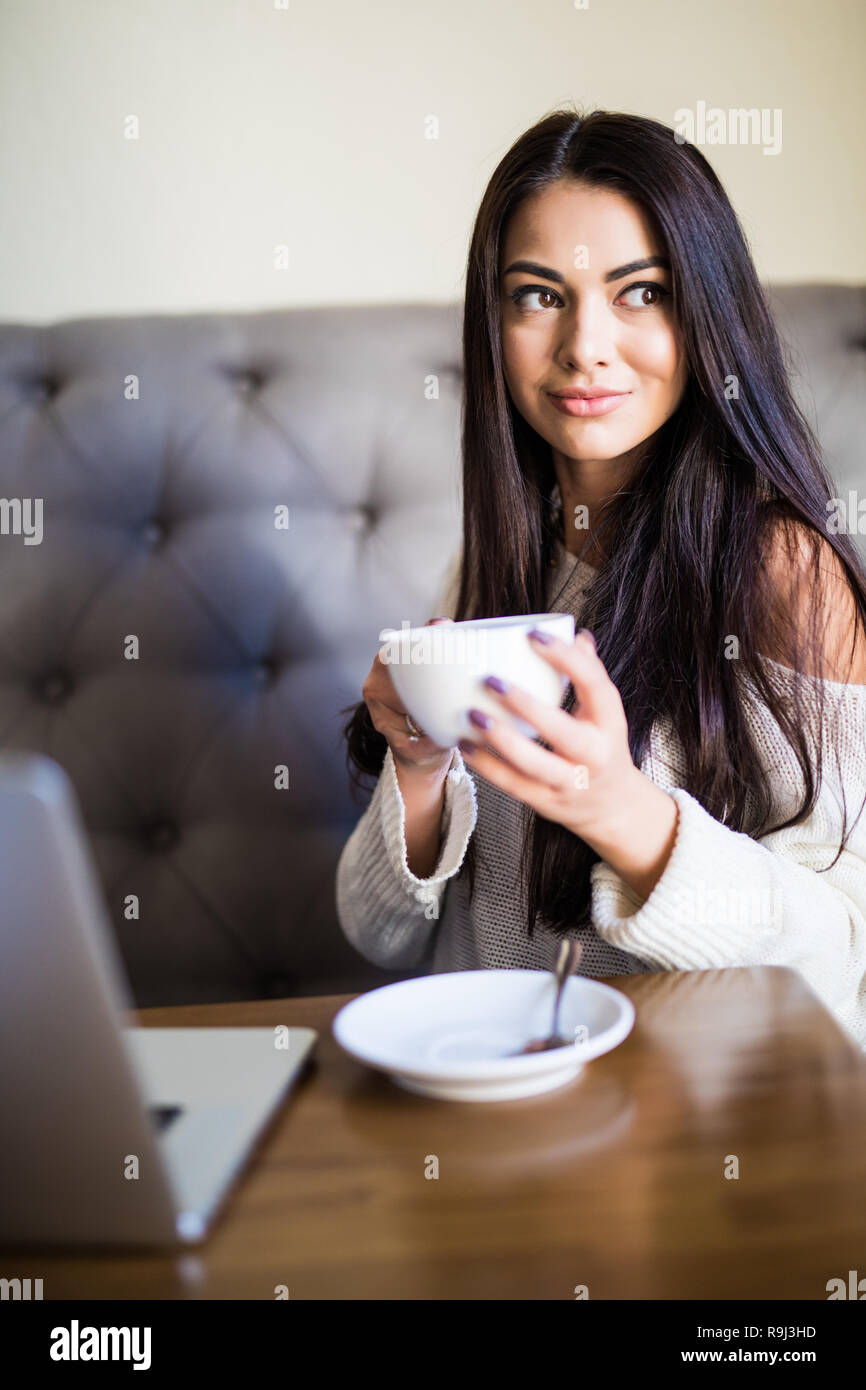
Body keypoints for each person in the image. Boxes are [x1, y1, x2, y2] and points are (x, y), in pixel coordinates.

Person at [335, 107, 866, 1051]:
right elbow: (377, 932)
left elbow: (846, 959)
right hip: (480, 1094)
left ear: (706, 313)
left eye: (641, 293)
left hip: (682, 1134)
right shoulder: (501, 556)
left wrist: (624, 814)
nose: (585, 345)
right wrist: (416, 773)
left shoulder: (785, 575)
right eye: (540, 296)